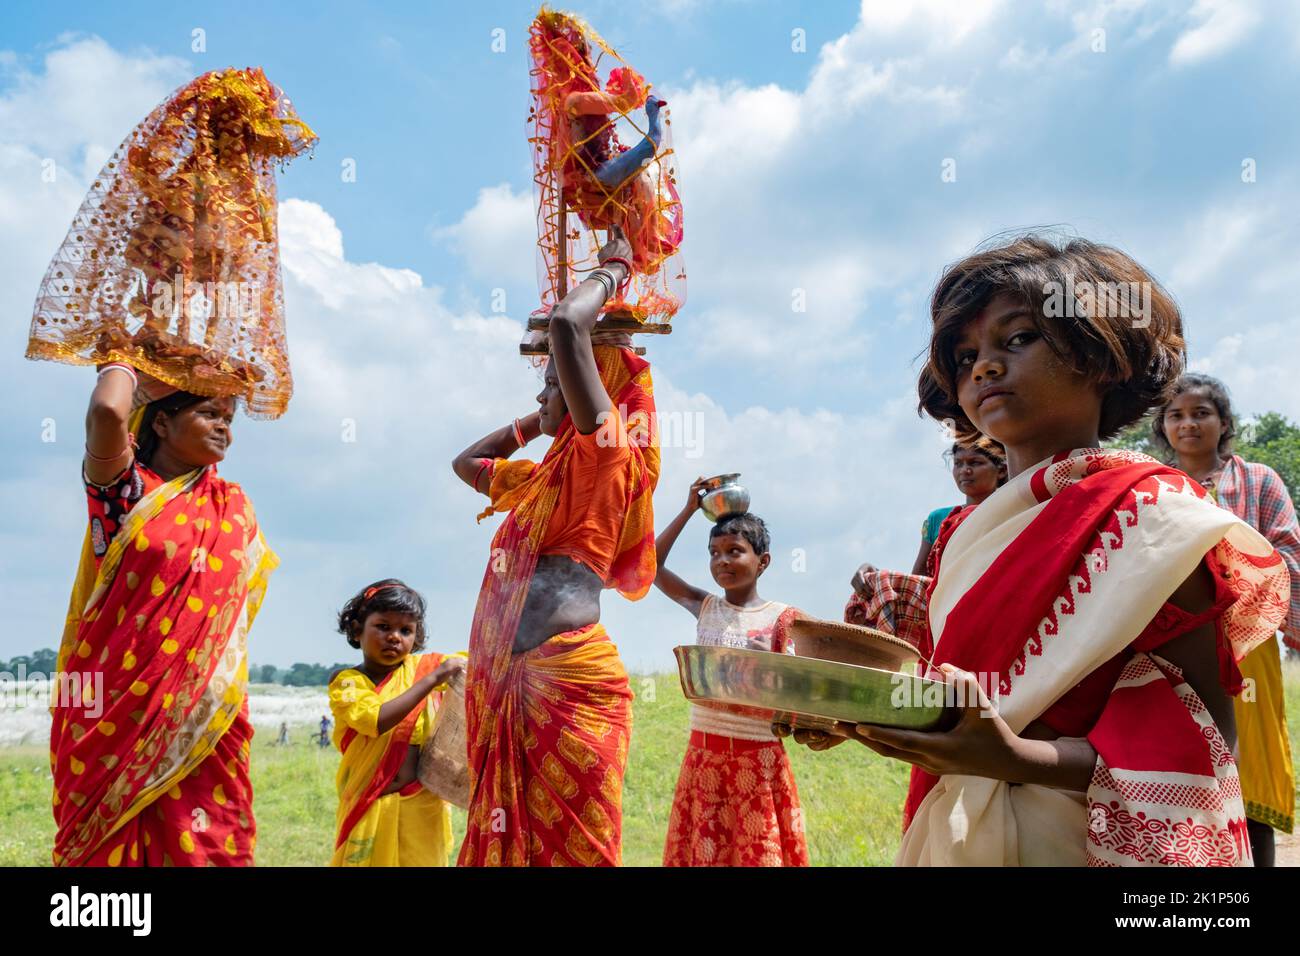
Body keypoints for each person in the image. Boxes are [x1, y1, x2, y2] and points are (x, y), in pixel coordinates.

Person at [781, 235, 1289, 866]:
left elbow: (1207, 739)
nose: (984, 368)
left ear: (1102, 357)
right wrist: (855, 711)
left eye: (1018, 338)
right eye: (966, 356)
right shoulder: (964, 536)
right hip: (951, 836)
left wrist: (1016, 759)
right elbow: (963, 707)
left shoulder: (1154, 518)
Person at [451, 229, 659, 866]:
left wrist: (614, 267)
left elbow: (569, 324)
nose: (542, 392)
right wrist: (540, 418)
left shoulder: (606, 455)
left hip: (569, 683)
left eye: (553, 383)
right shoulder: (543, 479)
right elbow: (467, 462)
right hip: (514, 682)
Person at [50, 364, 278, 866]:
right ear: (160, 422)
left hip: (205, 720)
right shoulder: (126, 493)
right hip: (113, 714)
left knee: (206, 847)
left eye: (229, 418)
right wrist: (128, 362)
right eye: (209, 413)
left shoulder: (232, 505)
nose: (224, 428)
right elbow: (108, 411)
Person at [1153, 372, 1299, 865]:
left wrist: (1230, 567)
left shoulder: (1259, 480)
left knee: (1250, 766)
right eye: (1176, 415)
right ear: (1162, 426)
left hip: (1248, 644)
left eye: (1201, 413)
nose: (1188, 424)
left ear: (1223, 422)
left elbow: (1289, 552)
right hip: (1174, 644)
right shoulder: (1153, 487)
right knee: (1183, 762)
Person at [653, 481, 808, 866]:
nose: (722, 560)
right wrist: (689, 510)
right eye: (714, 553)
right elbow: (651, 566)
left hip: (759, 763)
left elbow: (805, 687)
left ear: (763, 561)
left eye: (734, 551)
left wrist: (774, 665)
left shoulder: (784, 619)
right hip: (704, 759)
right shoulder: (705, 607)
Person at [327, 580, 465, 867]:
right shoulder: (347, 682)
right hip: (370, 804)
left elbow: (479, 663)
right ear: (357, 630)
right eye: (383, 626)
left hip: (422, 807)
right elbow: (375, 720)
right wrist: (434, 679)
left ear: (417, 637)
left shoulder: (424, 668)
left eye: (405, 630)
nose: (394, 637)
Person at [846, 439, 1006, 640]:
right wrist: (875, 574)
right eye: (958, 463)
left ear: (1001, 470)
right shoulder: (938, 519)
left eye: (975, 463)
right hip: (941, 618)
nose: (964, 471)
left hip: (990, 613)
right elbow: (919, 582)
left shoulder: (1012, 514)